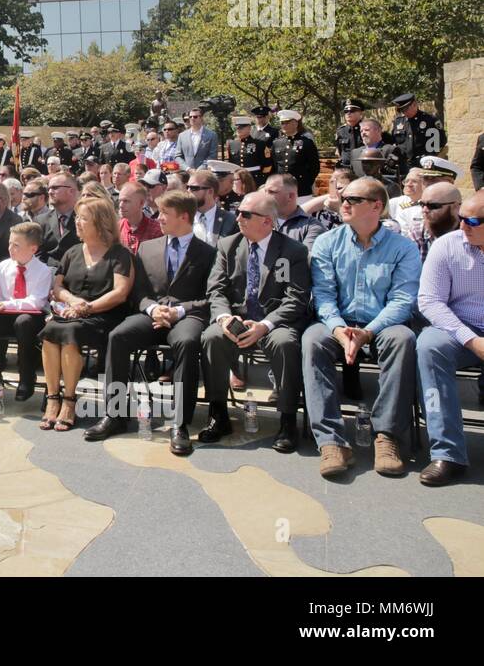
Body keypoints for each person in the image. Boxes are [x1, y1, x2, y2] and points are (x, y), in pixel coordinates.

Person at [302, 177, 421, 479]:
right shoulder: (328, 242)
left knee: (403, 338)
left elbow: (403, 300)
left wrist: (368, 331)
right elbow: (323, 295)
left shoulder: (403, 248)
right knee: (313, 338)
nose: (342, 203)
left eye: (352, 199)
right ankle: (331, 441)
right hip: (338, 322)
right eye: (343, 197)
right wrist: (339, 329)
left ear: (376, 206)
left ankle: (387, 436)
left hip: (383, 324)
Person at [86, 190, 216, 454]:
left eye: (165, 213)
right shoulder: (148, 248)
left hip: (186, 317)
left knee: (189, 342)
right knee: (118, 336)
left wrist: (178, 311)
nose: (159, 218)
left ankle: (179, 424)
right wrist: (153, 308)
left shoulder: (209, 253)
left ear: (184, 216)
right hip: (152, 315)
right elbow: (138, 292)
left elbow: (211, 297)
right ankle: (116, 414)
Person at [198, 190, 312, 451]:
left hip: (274, 322)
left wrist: (264, 326)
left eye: (247, 214)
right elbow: (216, 289)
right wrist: (225, 317)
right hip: (237, 319)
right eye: (238, 211)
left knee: (285, 343)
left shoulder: (292, 251)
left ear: (267, 221)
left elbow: (296, 298)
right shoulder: (228, 245)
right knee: (212, 337)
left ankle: (287, 420)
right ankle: (218, 414)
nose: (238, 217)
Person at [39, 195, 134, 431]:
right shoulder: (71, 252)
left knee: (70, 331)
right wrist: (74, 302)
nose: (77, 223)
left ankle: (69, 401)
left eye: (83, 219)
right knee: (51, 330)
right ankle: (53, 398)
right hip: (72, 312)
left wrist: (87, 307)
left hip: (105, 315)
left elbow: (120, 293)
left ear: (101, 223)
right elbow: (58, 287)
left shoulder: (120, 254)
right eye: (78, 218)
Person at [414, 190, 484, 486]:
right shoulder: (447, 246)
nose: (463, 225)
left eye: (472, 220)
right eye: (461, 218)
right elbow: (429, 301)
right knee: (429, 346)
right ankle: (448, 453)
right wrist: (472, 340)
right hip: (460, 329)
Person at [0, 220, 50, 402]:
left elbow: (36, 302)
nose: (10, 248)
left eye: (16, 245)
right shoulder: (4, 266)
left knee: (23, 323)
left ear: (33, 249)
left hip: (31, 317)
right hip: (6, 314)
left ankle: (27, 377)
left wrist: (7, 305)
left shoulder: (43, 271)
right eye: (10, 243)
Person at [388, 93, 445, 179]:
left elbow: (438, 144)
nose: (404, 112)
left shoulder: (430, 120)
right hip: (403, 167)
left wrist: (428, 162)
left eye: (406, 109)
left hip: (423, 165)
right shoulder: (398, 122)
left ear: (414, 104)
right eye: (402, 110)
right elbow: (394, 142)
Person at [264, 173, 324, 251]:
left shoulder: (312, 227)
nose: (265, 196)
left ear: (290, 196)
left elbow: (304, 260)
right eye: (265, 191)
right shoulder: (258, 220)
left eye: (272, 192)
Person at [272, 110, 321, 197]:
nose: (284, 125)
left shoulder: (306, 142)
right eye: (282, 123)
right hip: (281, 187)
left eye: (287, 122)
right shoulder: (276, 143)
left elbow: (314, 166)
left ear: (295, 123)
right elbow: (275, 164)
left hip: (301, 187)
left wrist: (306, 182)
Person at [188, 169, 238, 243]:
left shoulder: (230, 220)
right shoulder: (182, 217)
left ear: (210, 191)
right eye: (187, 187)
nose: (188, 191)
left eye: (194, 188)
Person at [117, 182, 162, 254]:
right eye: (120, 201)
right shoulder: (116, 229)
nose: (121, 205)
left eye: (126, 201)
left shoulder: (157, 231)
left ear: (141, 203)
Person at [334, 99, 368, 172]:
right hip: (345, 170)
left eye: (352, 111)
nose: (348, 113)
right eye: (346, 111)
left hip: (362, 170)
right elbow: (340, 151)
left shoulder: (367, 129)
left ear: (360, 113)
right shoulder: (341, 131)